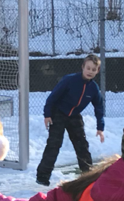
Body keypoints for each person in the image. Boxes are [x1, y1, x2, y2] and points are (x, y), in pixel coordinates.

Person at [36, 54, 106, 186]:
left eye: (93, 69)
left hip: (74, 115)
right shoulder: (69, 80)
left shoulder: (94, 88)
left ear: (97, 71)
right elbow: (52, 97)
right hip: (59, 113)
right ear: (83, 67)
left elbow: (99, 107)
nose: (90, 71)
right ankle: (42, 176)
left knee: (82, 145)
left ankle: (89, 175)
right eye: (88, 68)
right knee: (54, 145)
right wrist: (47, 115)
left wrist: (100, 127)